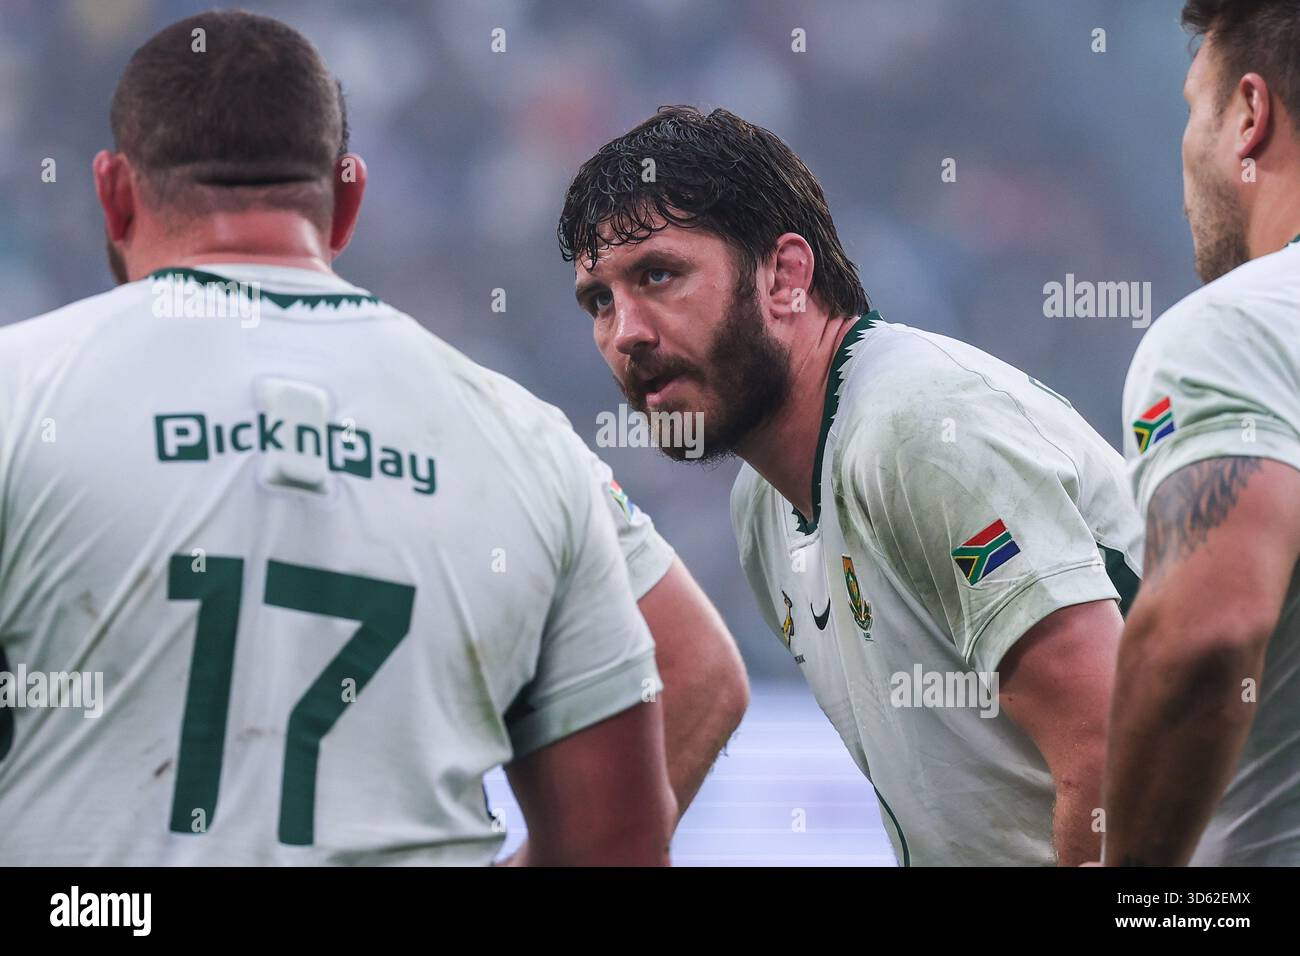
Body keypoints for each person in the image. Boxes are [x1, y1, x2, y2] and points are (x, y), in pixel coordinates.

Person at [0, 10, 741, 867]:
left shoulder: (21, 392)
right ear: (349, 197)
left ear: (115, 192)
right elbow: (692, 679)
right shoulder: (522, 439)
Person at [559, 106, 1143, 865]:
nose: (626, 332)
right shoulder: (764, 510)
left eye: (659, 275)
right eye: (599, 301)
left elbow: (1112, 752)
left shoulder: (918, 427)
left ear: (786, 277)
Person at [1104, 0, 1300, 866]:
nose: (1182, 152)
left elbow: (1203, 640)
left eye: (1194, 109)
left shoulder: (1235, 328)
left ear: (1250, 116)